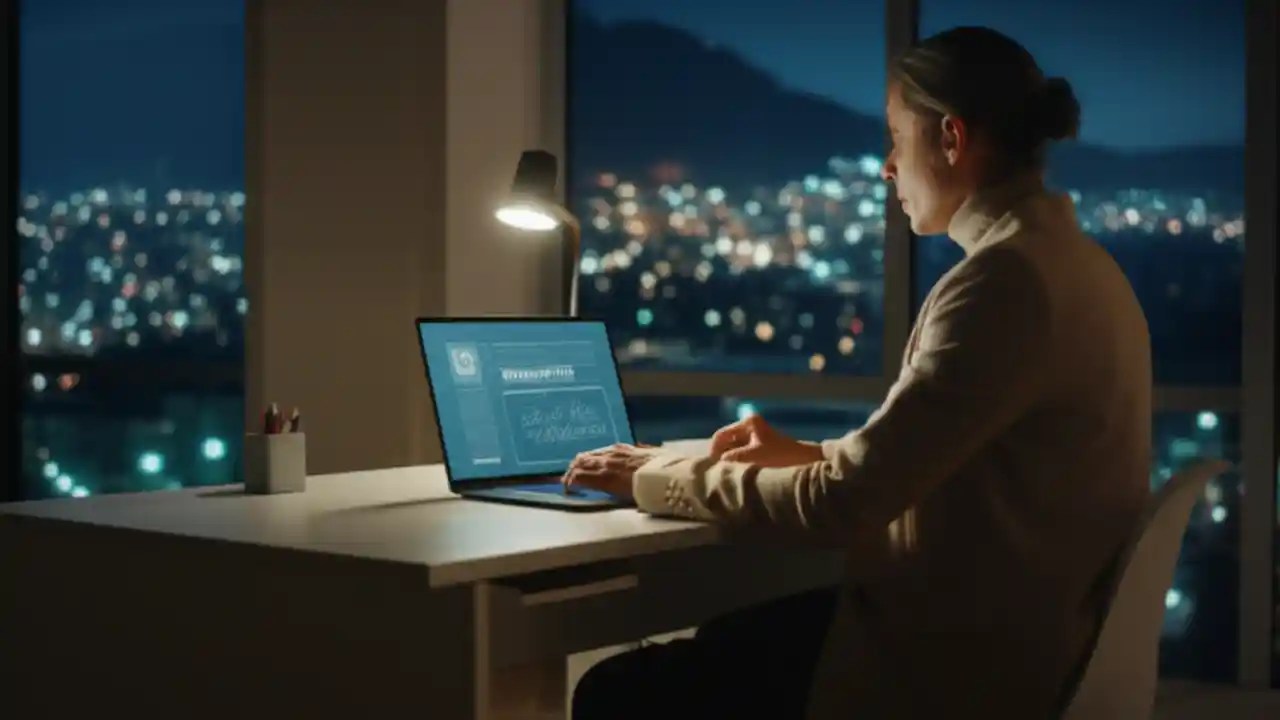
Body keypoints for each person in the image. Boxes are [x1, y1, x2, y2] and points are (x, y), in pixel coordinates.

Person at [564, 26, 1152, 720]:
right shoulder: (1083, 268)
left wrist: (657, 477)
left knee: (616, 691)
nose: (887, 167)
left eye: (897, 138)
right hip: (1018, 637)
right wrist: (805, 455)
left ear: (951, 138)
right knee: (729, 639)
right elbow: (933, 457)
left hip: (947, 665)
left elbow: (842, 504)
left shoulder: (1005, 284)